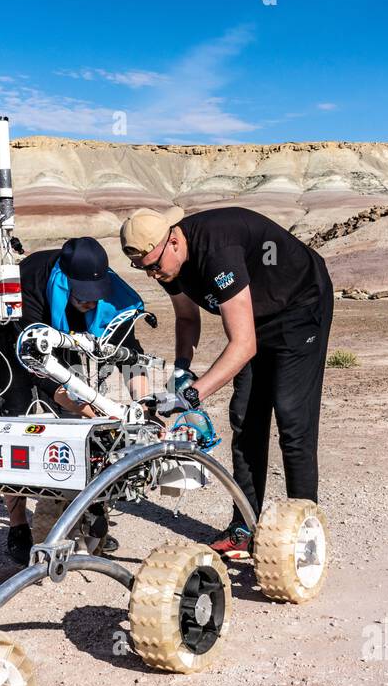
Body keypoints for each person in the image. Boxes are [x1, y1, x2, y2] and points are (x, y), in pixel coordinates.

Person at [120, 205, 333, 557]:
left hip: (300, 305)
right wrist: (182, 369)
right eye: (143, 269)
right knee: (246, 418)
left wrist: (191, 395)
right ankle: (244, 527)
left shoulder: (217, 253)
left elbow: (243, 344)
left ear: (173, 241)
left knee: (293, 418)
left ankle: (305, 531)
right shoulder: (172, 266)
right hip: (257, 316)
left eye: (154, 266)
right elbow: (187, 318)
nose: (152, 275)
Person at [0, 236, 151, 563]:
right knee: (16, 424)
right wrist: (85, 405)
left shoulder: (108, 295)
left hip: (61, 340)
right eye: (83, 298)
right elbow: (38, 370)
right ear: (64, 281)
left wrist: (143, 408)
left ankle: (85, 516)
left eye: (95, 299)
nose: (90, 304)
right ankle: (18, 525)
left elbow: (130, 355)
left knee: (79, 427)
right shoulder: (29, 280)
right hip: (14, 341)